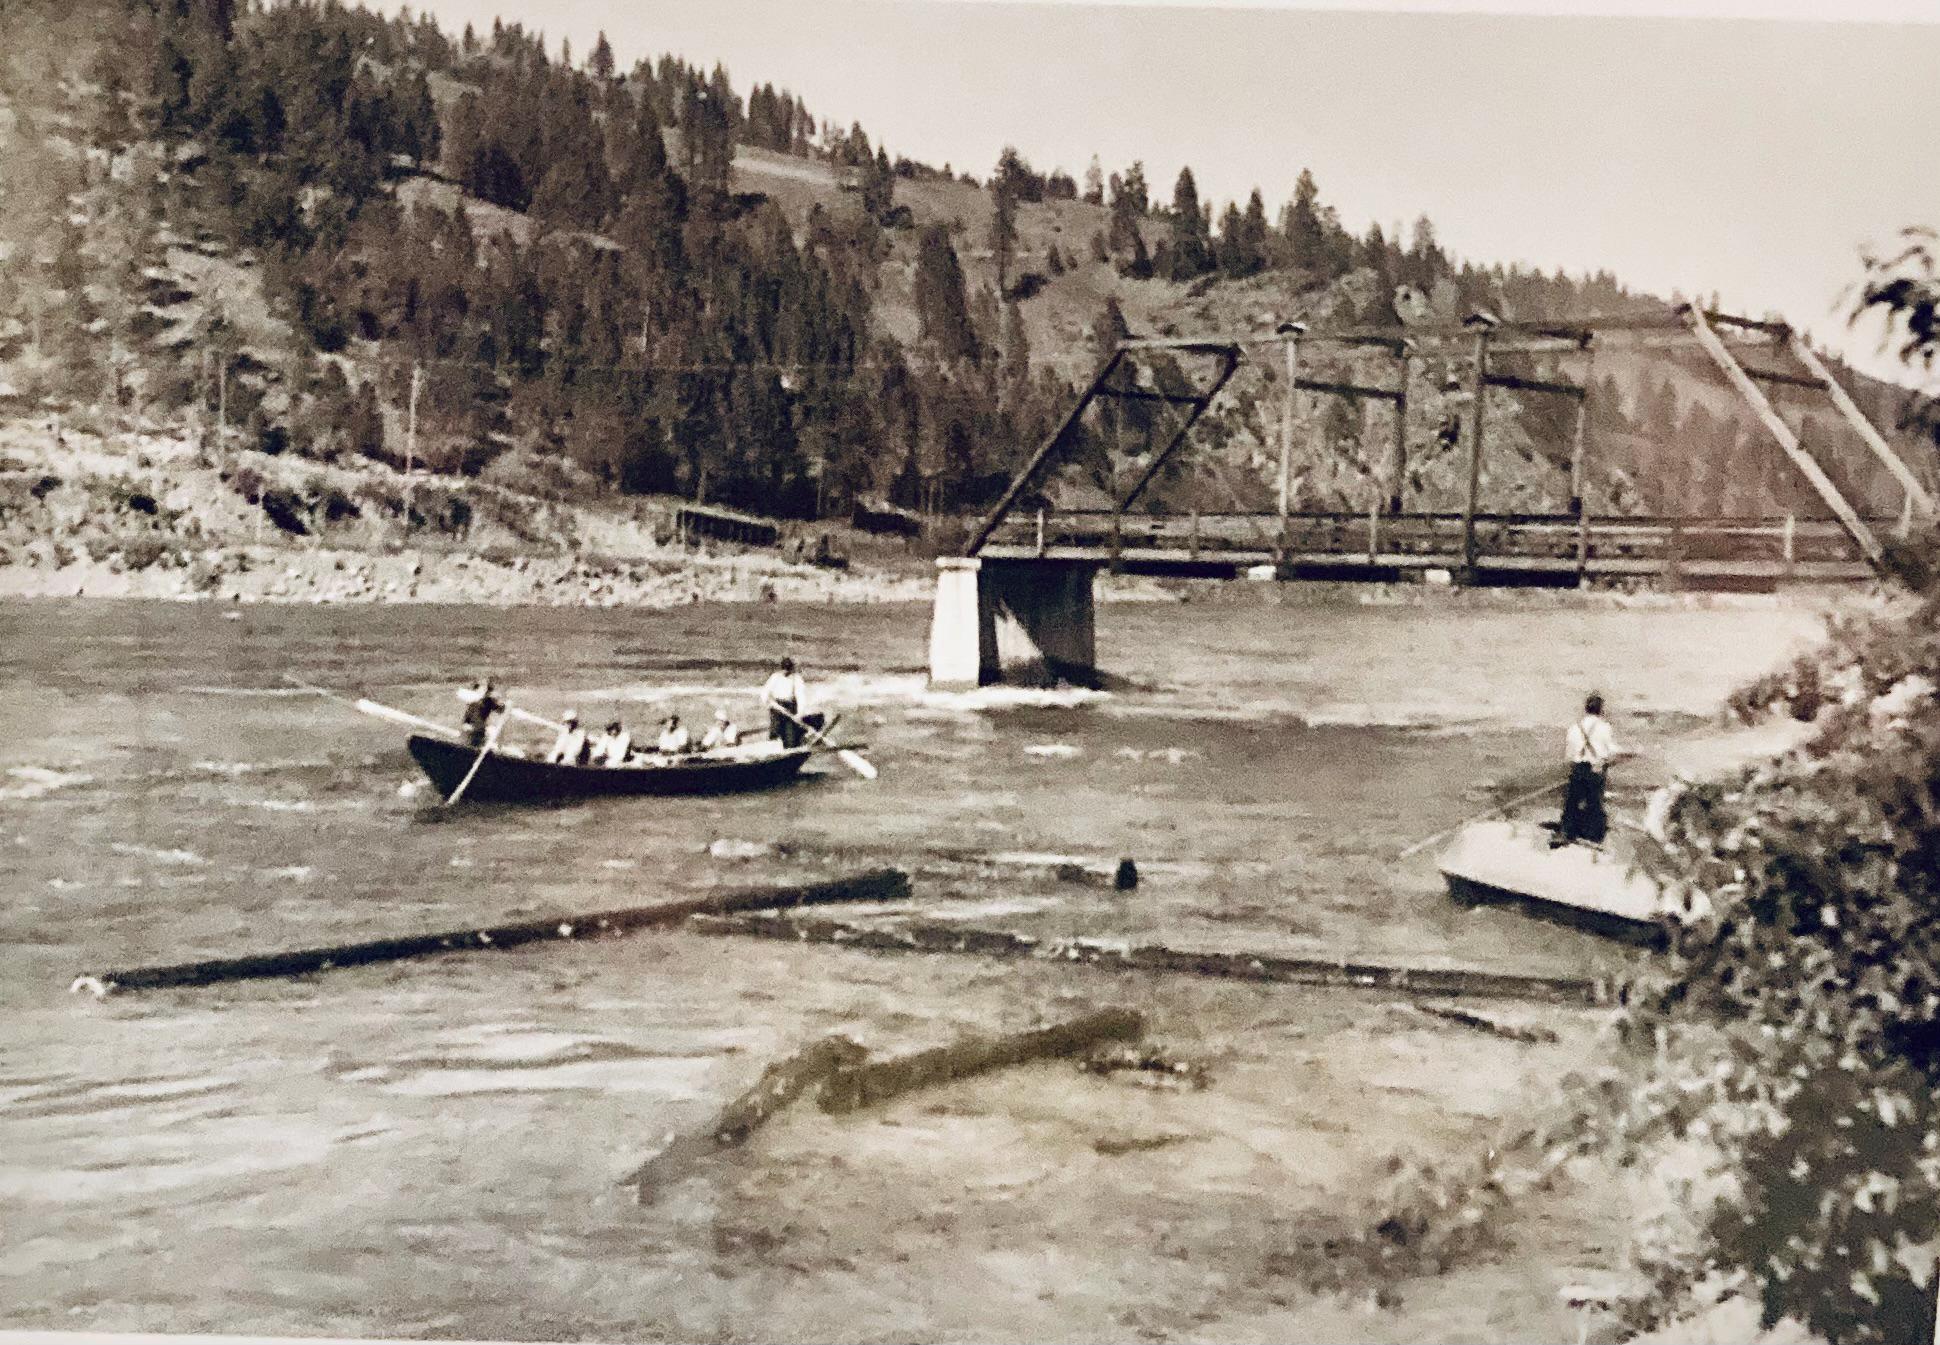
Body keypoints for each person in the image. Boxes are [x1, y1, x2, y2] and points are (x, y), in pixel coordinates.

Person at [1556, 692, 1621, 846]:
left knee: (1572, 801)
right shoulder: (1604, 727)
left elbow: (1569, 754)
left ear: (1586, 708)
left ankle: (1567, 832)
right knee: (1595, 801)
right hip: (1595, 769)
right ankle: (1594, 836)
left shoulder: (1575, 728)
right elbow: (1610, 750)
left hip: (1578, 768)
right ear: (1601, 709)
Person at [762, 656, 810, 748]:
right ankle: (773, 750)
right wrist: (770, 703)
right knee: (775, 730)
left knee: (790, 733)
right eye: (784, 668)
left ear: (791, 668)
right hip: (776, 706)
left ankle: (790, 749)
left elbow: (801, 696)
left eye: (788, 669)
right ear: (781, 668)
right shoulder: (775, 677)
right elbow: (765, 693)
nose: (786, 671)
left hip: (790, 707)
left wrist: (799, 714)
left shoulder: (797, 678)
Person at [459, 677, 504, 748]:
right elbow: (468, 715)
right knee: (467, 740)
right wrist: (466, 724)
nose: (481, 691)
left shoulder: (489, 701)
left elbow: (500, 709)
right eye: (480, 689)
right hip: (471, 729)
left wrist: (503, 704)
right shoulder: (473, 700)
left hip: (479, 730)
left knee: (477, 740)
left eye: (484, 689)